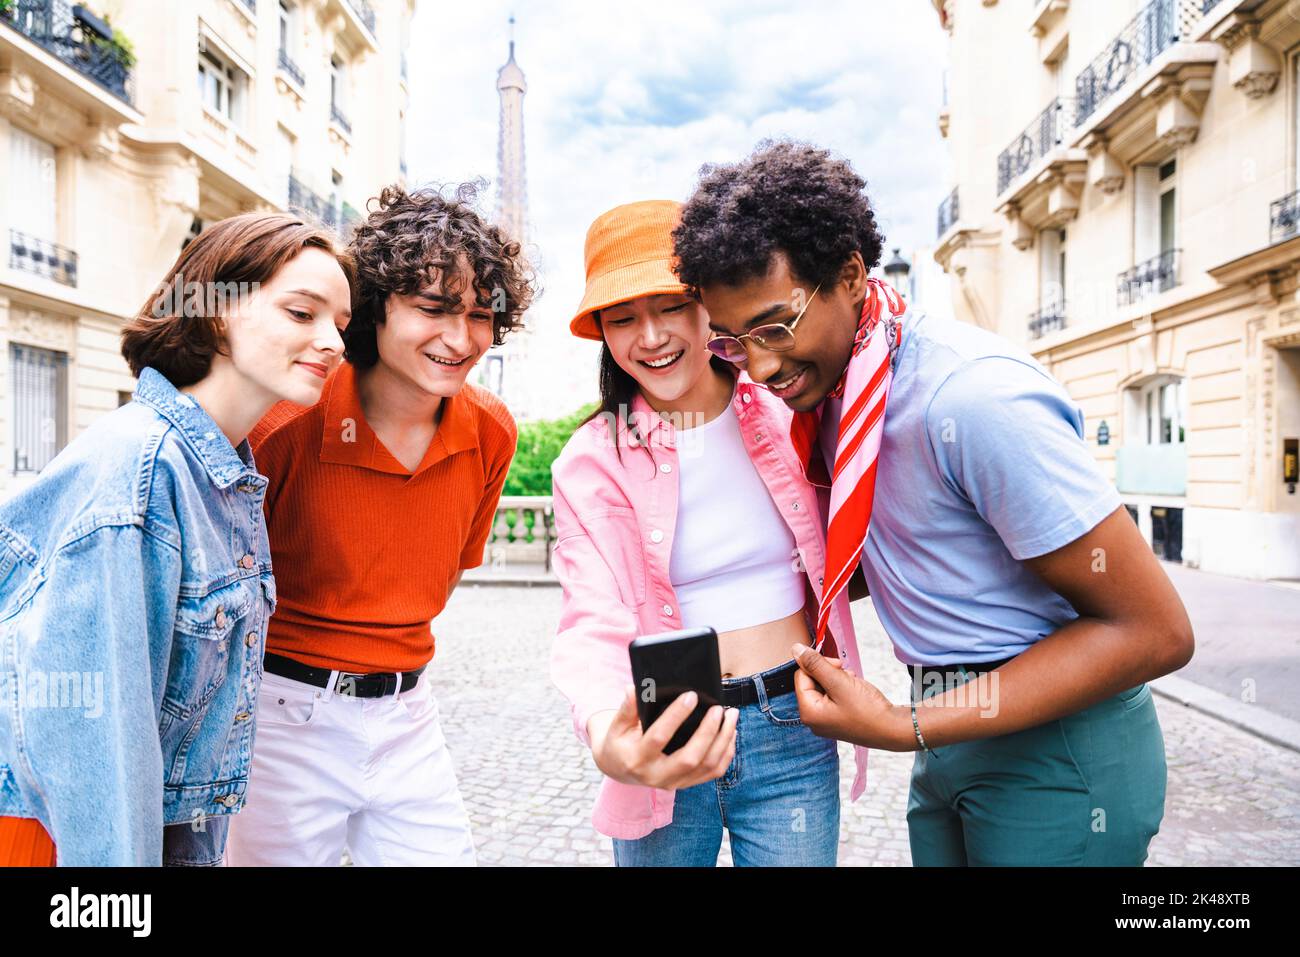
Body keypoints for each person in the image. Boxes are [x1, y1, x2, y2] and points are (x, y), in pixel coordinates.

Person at [673, 141, 1195, 866]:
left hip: (1059, 755)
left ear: (852, 275)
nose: (759, 367)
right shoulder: (842, 395)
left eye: (774, 327)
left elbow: (1156, 632)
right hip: (949, 738)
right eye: (733, 344)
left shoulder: (972, 396)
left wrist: (900, 720)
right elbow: (879, 555)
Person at [0, 213, 353, 865]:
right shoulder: (141, 470)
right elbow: (98, 749)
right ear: (215, 311)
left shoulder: (221, 472)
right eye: (303, 313)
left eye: (341, 323)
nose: (332, 341)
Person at [549, 199, 870, 867]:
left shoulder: (790, 409)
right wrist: (613, 737)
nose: (652, 335)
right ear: (601, 332)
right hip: (665, 724)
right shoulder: (590, 459)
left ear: (707, 303)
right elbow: (591, 618)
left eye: (670, 305)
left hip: (793, 719)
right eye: (622, 317)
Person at [225, 183, 535, 867]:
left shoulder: (491, 429)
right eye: (433, 308)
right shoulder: (289, 417)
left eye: (482, 315)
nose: (460, 339)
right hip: (283, 716)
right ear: (378, 309)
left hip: (409, 715)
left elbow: (447, 569)